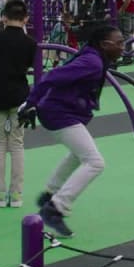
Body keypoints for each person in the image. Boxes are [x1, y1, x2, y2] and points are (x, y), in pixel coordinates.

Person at [21, 23, 124, 238]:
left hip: (62, 112)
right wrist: (31, 102)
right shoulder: (92, 62)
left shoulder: (94, 57)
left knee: (79, 155)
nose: (123, 47)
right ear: (105, 45)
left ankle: (50, 193)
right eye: (119, 43)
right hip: (59, 114)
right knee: (95, 162)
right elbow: (52, 77)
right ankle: (56, 208)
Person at [0, 0, 36, 208]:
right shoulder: (30, 43)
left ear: (4, 17)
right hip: (19, 95)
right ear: (26, 19)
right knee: (17, 145)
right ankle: (15, 195)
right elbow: (29, 66)